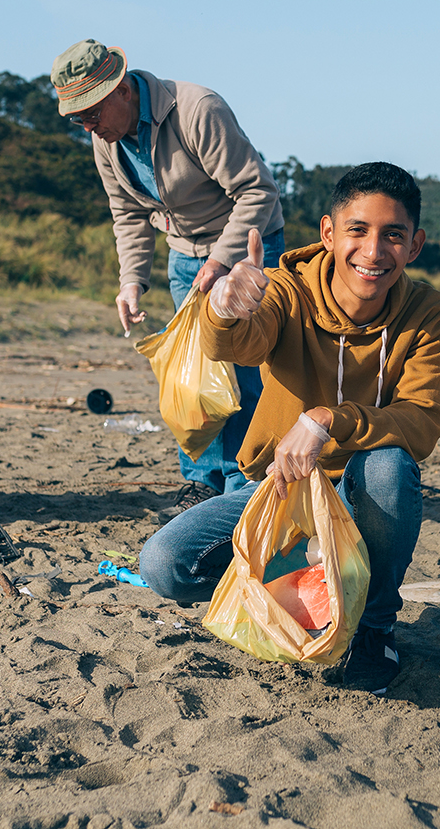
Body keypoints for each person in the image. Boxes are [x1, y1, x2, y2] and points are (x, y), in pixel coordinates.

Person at [137, 162, 440, 695]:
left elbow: (423, 419)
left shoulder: (428, 311)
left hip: (359, 497)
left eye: (392, 235)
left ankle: (374, 627)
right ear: (328, 234)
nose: (374, 252)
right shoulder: (286, 289)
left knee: (391, 465)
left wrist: (328, 420)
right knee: (163, 564)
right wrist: (224, 309)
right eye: (357, 230)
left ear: (414, 245)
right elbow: (240, 343)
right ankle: (301, 587)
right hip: (277, 490)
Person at [50, 39, 284, 519]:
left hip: (245, 247)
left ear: (120, 89)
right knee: (195, 377)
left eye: (91, 113)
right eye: (78, 119)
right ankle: (202, 483)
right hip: (184, 258)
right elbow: (127, 213)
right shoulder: (104, 139)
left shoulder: (198, 109)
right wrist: (131, 280)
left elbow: (257, 191)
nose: (88, 126)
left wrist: (220, 263)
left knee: (241, 368)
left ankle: (245, 480)